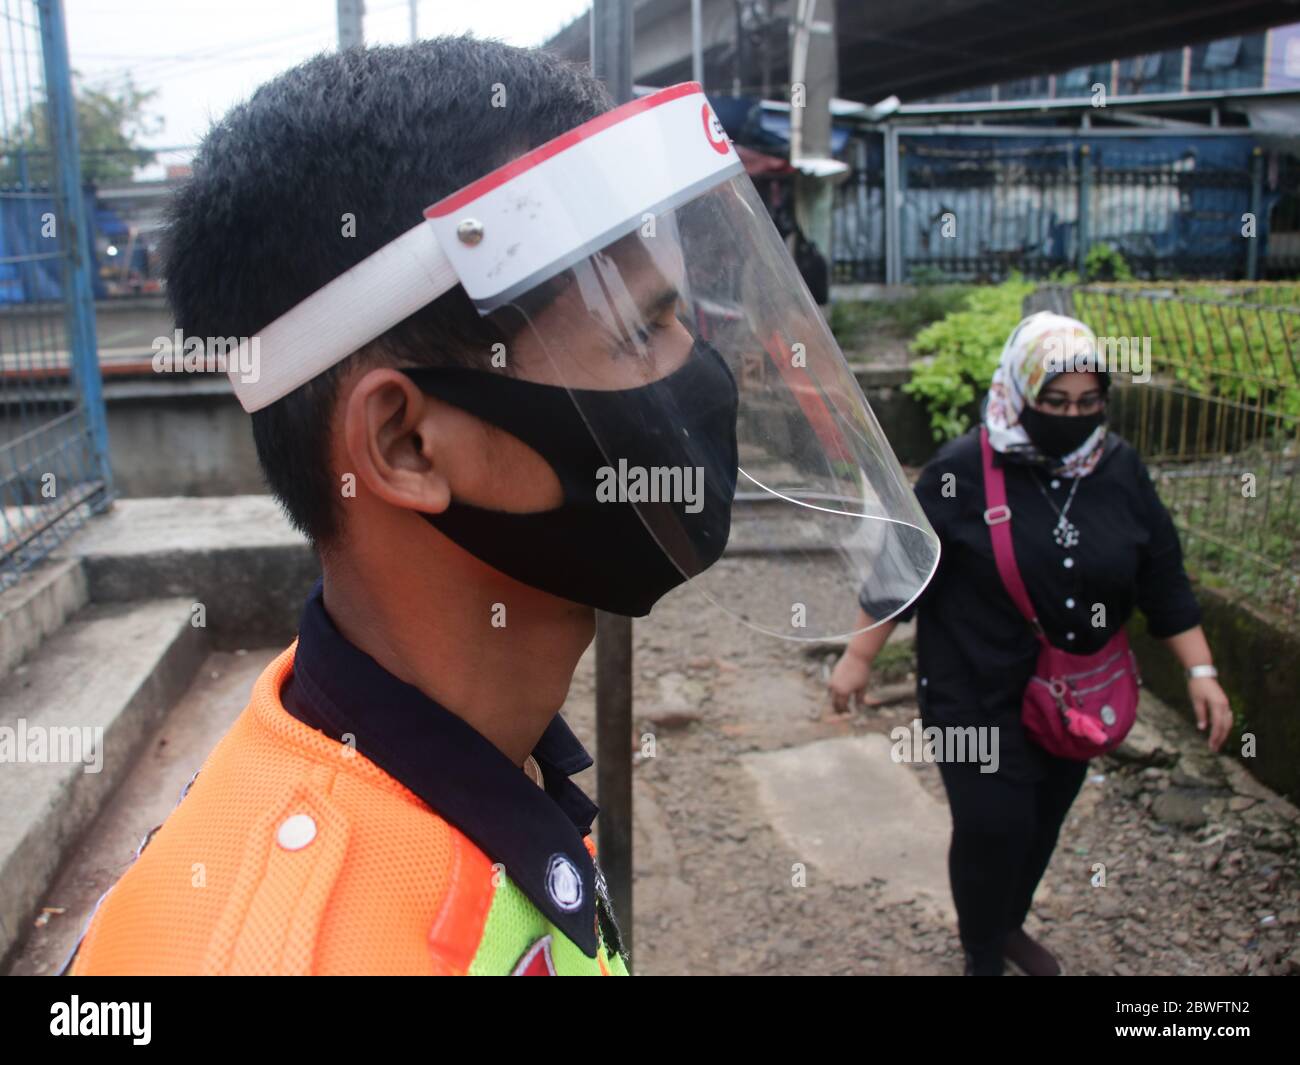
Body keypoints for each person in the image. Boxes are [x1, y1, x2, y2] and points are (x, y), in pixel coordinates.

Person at [65, 38, 935, 975]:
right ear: (406, 444)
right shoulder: (284, 952)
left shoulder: (455, 744)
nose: (700, 368)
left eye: (682, 317)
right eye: (641, 328)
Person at [829, 311, 1233, 976]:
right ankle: (982, 951)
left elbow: (1164, 574)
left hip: (1076, 692)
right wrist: (858, 658)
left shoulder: (1119, 470)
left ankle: (1006, 920)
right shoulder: (961, 469)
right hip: (973, 690)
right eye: (1054, 401)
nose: (1072, 416)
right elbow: (904, 570)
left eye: (1088, 402)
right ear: (1019, 392)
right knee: (995, 824)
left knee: (1042, 821)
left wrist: (1202, 670)